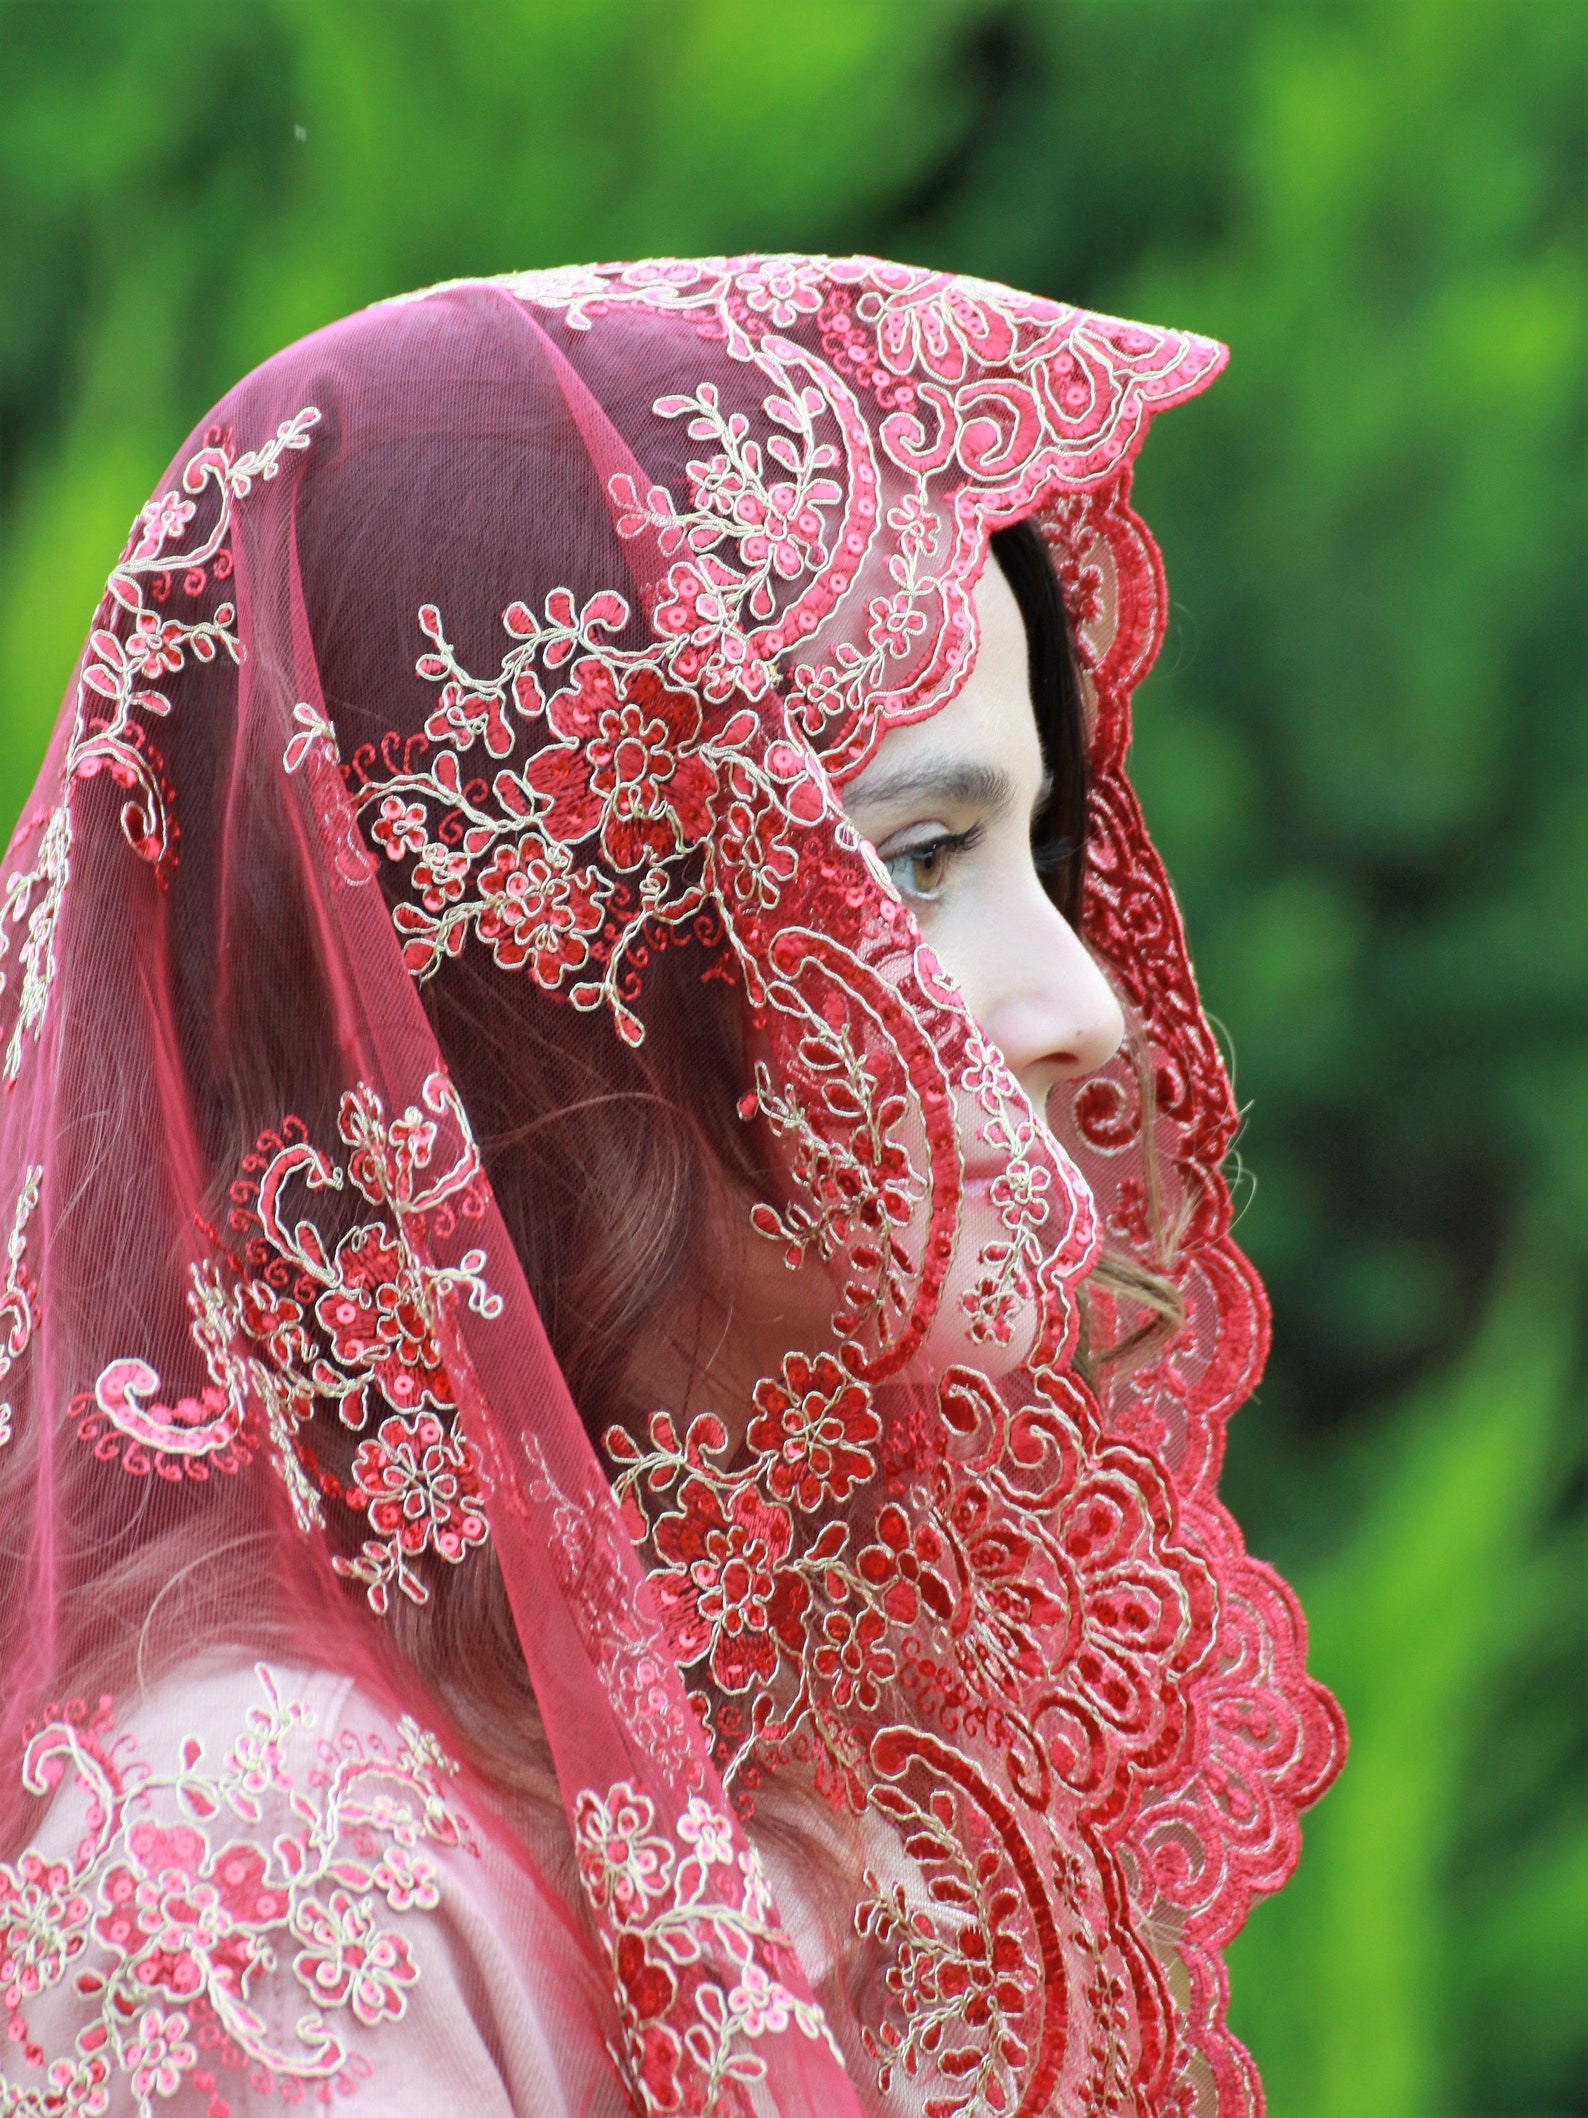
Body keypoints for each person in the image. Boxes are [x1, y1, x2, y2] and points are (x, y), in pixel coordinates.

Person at [0, 256, 1343, 2118]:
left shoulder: (775, 1730)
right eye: (924, 850)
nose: (1079, 1006)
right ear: (561, 961)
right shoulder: (267, 1861)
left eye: (1041, 844)